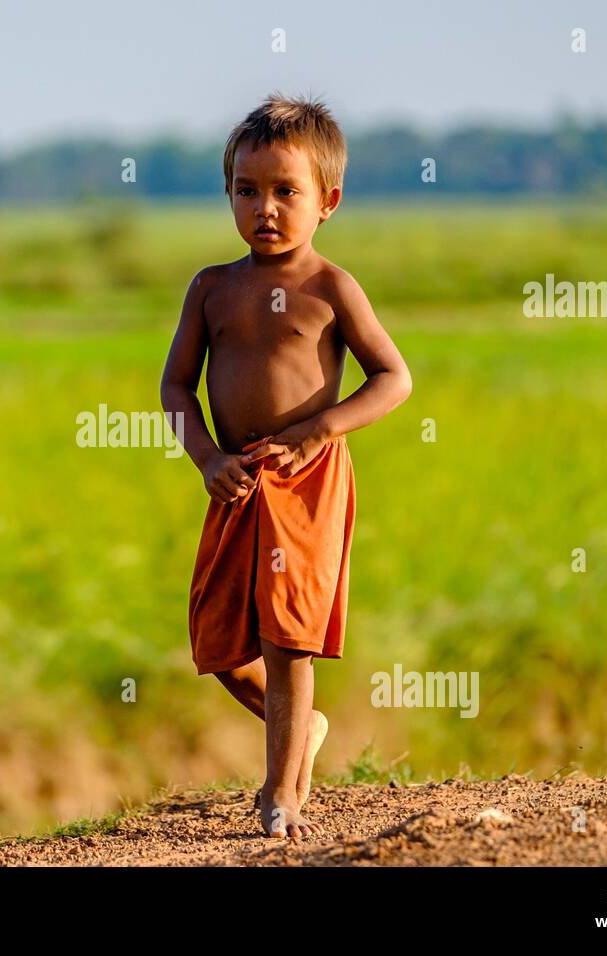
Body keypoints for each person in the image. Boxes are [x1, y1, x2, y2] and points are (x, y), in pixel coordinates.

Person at [160, 94, 412, 840]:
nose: (263, 208)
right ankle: (305, 728)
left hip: (307, 481)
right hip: (237, 480)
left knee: (288, 635)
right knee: (219, 645)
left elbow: (393, 378)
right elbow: (176, 386)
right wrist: (206, 457)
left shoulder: (332, 288)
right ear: (228, 193)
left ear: (328, 201)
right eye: (247, 190)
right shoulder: (211, 288)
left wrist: (318, 432)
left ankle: (281, 793)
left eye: (285, 191)